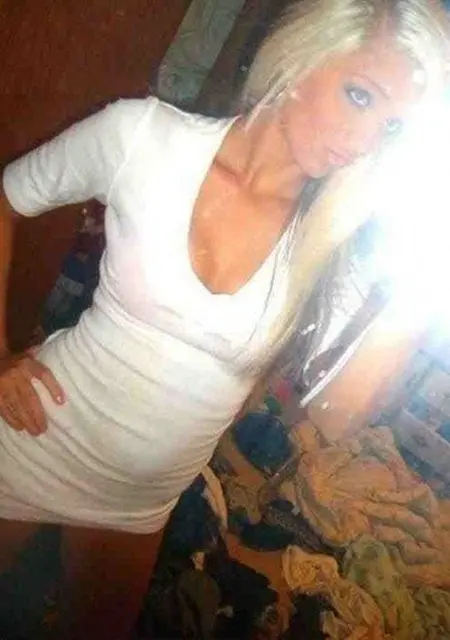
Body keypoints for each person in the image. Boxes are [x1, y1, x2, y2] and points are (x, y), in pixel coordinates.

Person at [0, 0, 448, 637]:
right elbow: (8, 197)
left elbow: (336, 415)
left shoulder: (335, 246)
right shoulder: (143, 137)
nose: (362, 142)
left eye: (391, 128)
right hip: (37, 436)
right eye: (359, 95)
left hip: (140, 502)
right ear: (305, 57)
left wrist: (419, 281)